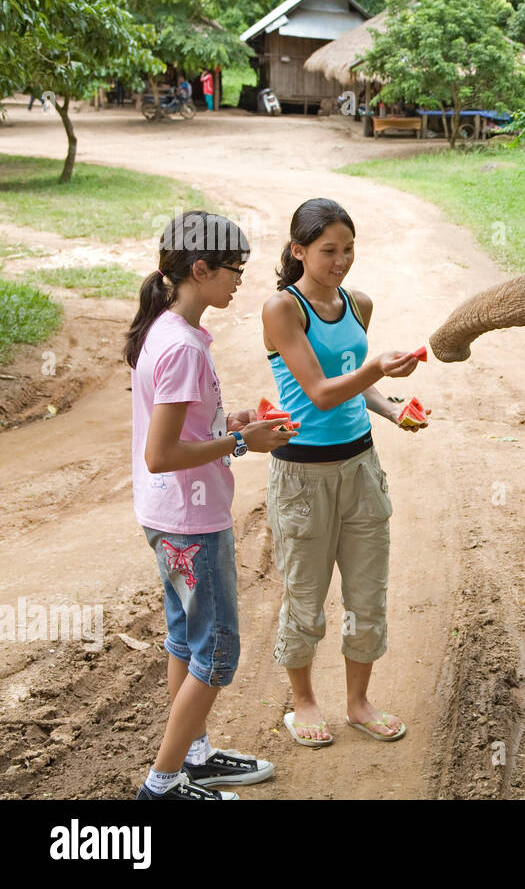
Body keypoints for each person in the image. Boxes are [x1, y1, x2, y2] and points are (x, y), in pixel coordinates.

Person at [126, 210, 297, 800]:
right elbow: (163, 452)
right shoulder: (182, 348)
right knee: (218, 651)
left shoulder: (169, 331)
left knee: (186, 639)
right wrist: (245, 442)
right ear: (200, 269)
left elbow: (182, 426)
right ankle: (162, 784)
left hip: (167, 518)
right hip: (191, 524)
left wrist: (232, 423)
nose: (241, 280)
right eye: (233, 269)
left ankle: (192, 758)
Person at [261, 197, 422, 747]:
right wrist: (377, 366)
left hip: (360, 467)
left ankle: (358, 703)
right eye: (328, 251)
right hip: (302, 478)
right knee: (305, 598)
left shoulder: (359, 303)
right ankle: (303, 702)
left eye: (349, 249)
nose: (341, 261)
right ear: (298, 251)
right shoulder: (282, 309)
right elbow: (321, 394)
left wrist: (391, 406)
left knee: (367, 596)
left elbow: (353, 378)